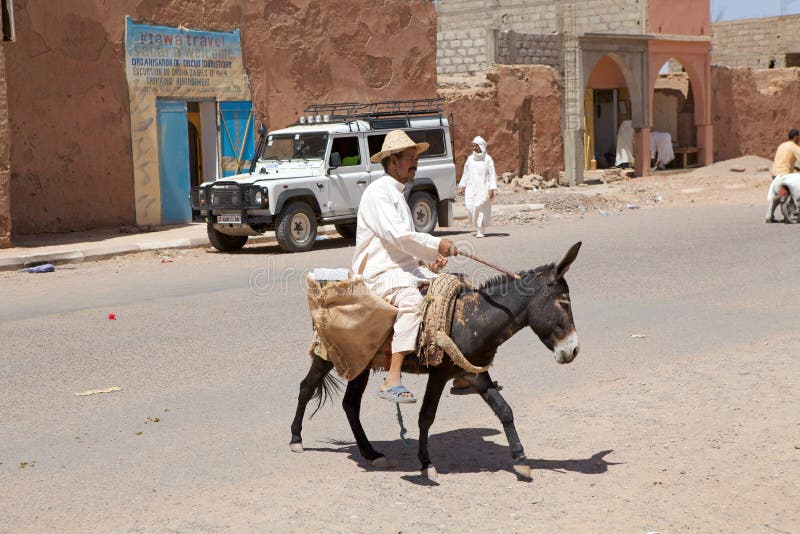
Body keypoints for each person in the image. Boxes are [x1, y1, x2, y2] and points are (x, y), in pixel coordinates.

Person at [353, 130, 459, 403]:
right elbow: (400, 237)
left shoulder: (397, 194)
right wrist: (437, 245)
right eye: (409, 159)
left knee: (456, 287)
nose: (415, 163)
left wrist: (427, 262)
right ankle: (392, 378)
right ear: (391, 162)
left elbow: (401, 245)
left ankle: (461, 370)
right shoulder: (379, 193)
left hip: (400, 270)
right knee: (412, 301)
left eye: (416, 159)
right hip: (379, 274)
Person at [458, 136, 498, 238]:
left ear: (481, 146)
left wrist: (492, 189)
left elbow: (492, 175)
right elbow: (465, 173)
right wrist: (462, 186)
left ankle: (480, 230)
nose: (474, 148)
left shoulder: (488, 159)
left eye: (476, 146)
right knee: (470, 207)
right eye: (474, 146)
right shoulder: (470, 159)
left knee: (479, 208)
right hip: (471, 189)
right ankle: (478, 228)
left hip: (483, 188)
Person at [766, 129, 800, 222]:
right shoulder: (795, 147)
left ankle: (769, 216)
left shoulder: (782, 145)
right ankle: (795, 211)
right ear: (796, 136)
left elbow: (784, 160)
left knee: (778, 196)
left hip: (775, 174)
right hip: (785, 175)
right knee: (796, 189)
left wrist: (795, 168)